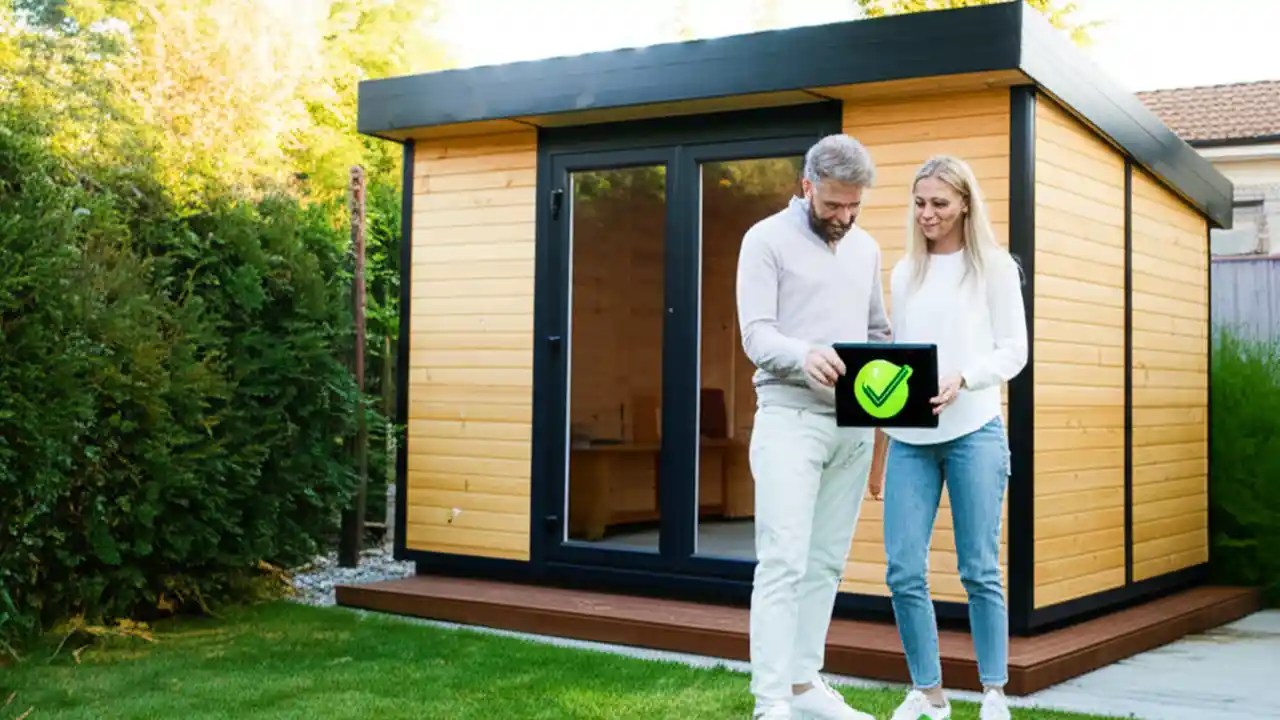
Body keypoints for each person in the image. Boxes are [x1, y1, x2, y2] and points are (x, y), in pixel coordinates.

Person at [735, 133, 891, 720]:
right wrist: (803, 355)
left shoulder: (866, 248)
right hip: (789, 417)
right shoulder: (765, 240)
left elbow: (877, 335)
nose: (844, 217)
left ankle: (803, 686)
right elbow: (756, 333)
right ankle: (771, 701)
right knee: (783, 560)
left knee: (825, 561)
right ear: (807, 186)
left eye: (854, 205)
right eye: (833, 204)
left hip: (852, 425)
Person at [877, 155, 1028, 720]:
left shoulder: (994, 268)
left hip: (975, 433)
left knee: (979, 569)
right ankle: (929, 693)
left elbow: (1014, 351)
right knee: (902, 571)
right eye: (919, 203)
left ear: (965, 203)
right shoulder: (904, 273)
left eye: (939, 203)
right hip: (910, 440)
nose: (927, 214)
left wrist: (964, 377)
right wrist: (880, 446)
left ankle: (993, 693)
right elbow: (898, 361)